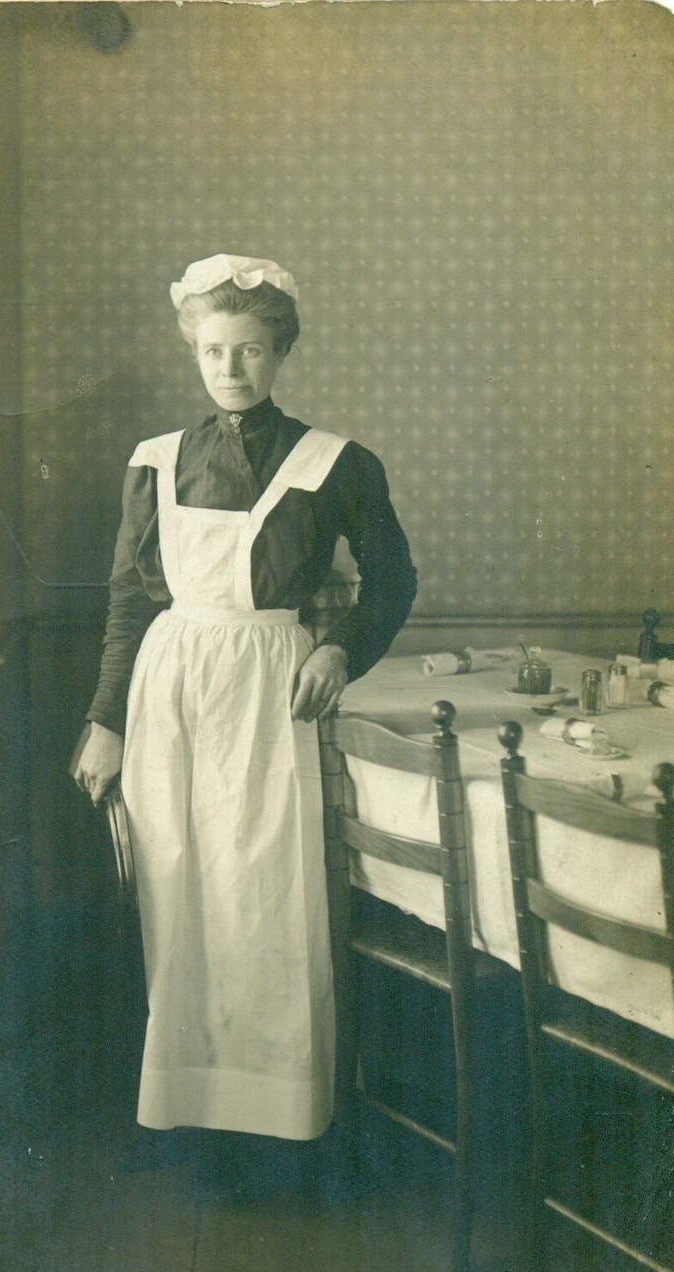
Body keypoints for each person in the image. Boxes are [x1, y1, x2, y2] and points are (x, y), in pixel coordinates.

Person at [74, 254, 416, 1161]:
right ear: (195, 350)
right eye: (215, 351)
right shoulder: (153, 463)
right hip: (170, 689)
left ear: (281, 353)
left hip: (272, 688)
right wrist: (106, 719)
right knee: (176, 887)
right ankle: (189, 1110)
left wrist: (342, 647)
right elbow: (127, 601)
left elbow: (394, 578)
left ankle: (280, 1119)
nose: (232, 369)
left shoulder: (337, 462)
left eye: (253, 351)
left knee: (267, 892)